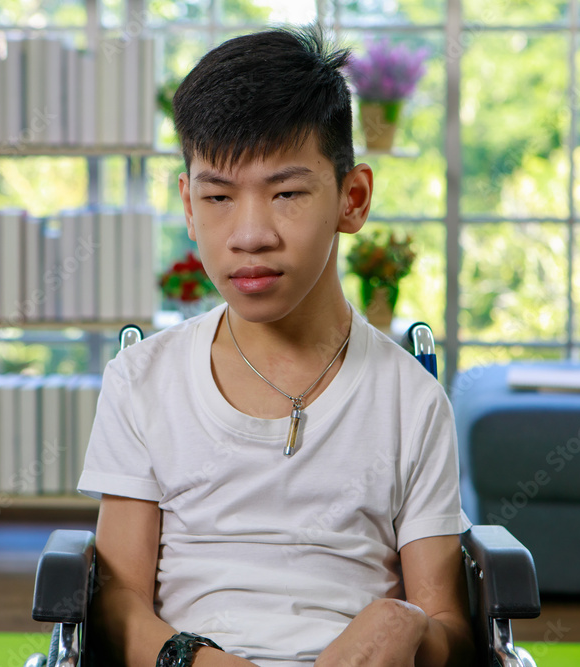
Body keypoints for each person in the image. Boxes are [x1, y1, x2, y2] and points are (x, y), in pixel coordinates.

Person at [78, 23, 474, 667]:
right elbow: (118, 600)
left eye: (287, 193)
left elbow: (450, 626)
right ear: (187, 204)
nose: (250, 234)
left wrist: (402, 625)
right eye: (219, 197)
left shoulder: (412, 400)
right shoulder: (142, 380)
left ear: (353, 197)